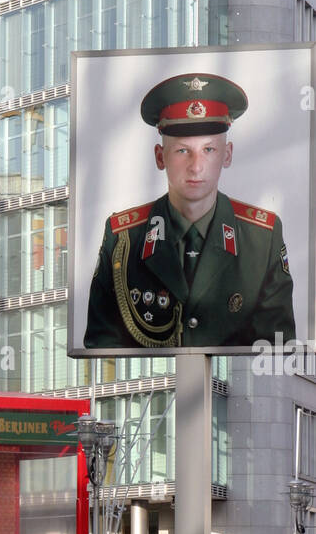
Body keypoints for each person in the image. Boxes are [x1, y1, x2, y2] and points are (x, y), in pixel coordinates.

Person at [84, 73, 294, 349]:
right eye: (183, 151)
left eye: (208, 149)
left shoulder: (262, 238)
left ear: (227, 154)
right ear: (160, 157)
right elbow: (101, 344)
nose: (196, 167)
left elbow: (277, 348)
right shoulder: (123, 237)